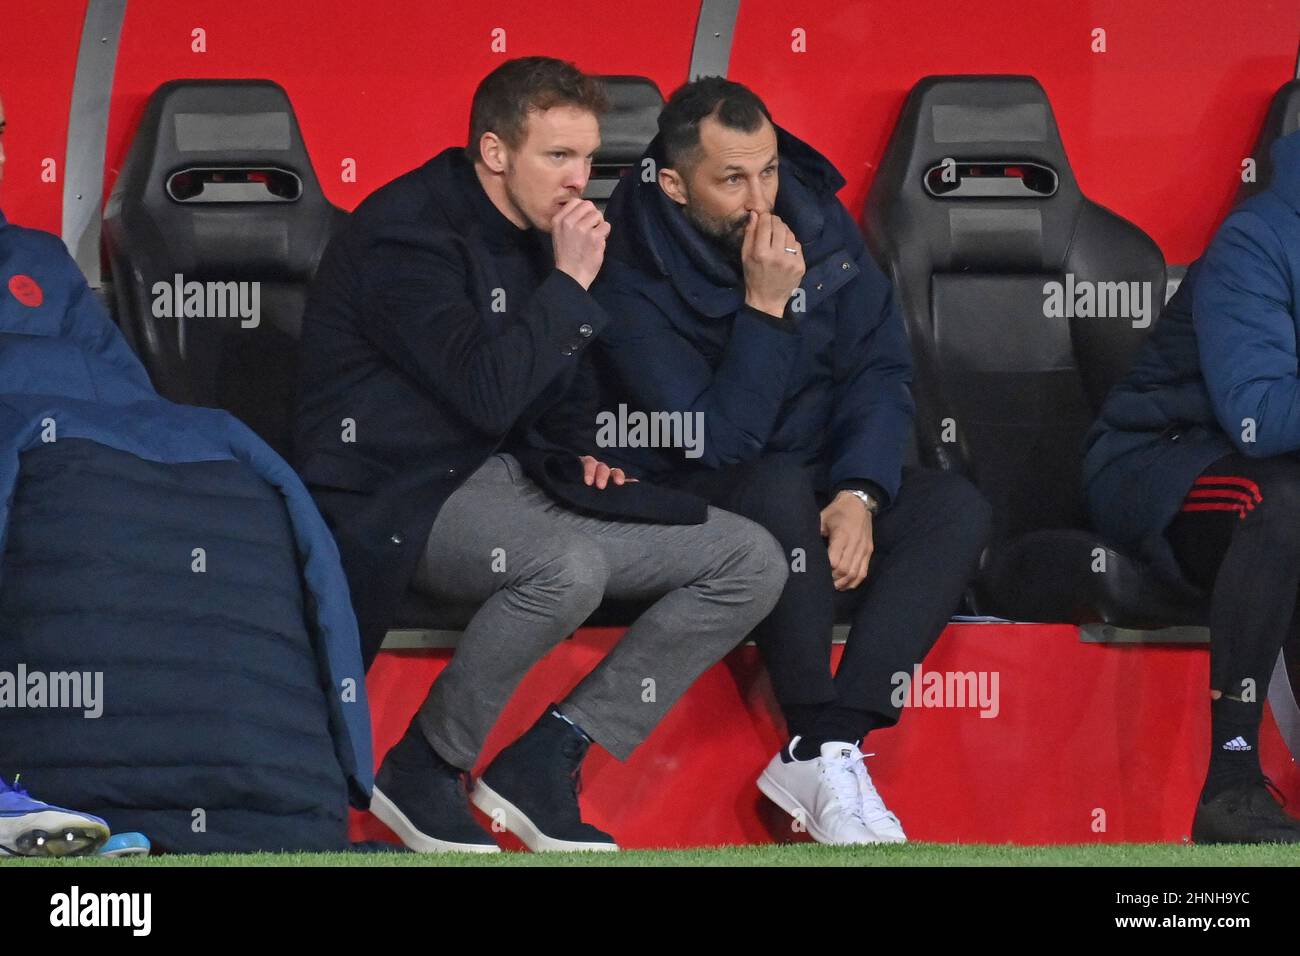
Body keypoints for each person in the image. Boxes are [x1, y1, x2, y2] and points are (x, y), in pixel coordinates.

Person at [294, 58, 787, 853]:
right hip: (396, 490)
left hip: (513, 480)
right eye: (558, 158)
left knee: (750, 559)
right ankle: (423, 766)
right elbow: (484, 393)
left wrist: (584, 451)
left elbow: (566, 389)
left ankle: (546, 758)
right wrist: (569, 283)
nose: (578, 182)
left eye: (589, 160)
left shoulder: (544, 234)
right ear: (495, 152)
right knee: (567, 565)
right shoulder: (405, 232)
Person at [591, 77, 991, 844]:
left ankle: (831, 740)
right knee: (772, 483)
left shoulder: (819, 222)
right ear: (674, 184)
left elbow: (880, 369)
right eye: (732, 178)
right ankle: (813, 722)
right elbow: (712, 440)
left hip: (813, 478)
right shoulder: (628, 269)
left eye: (768, 169)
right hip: (692, 488)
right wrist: (763, 309)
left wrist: (860, 493)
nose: (760, 197)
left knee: (953, 507)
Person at [1083, 129, 1300, 844]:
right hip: (1158, 460)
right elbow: (1258, 417)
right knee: (1283, 503)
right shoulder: (1259, 239)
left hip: (1258, 465)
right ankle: (1231, 781)